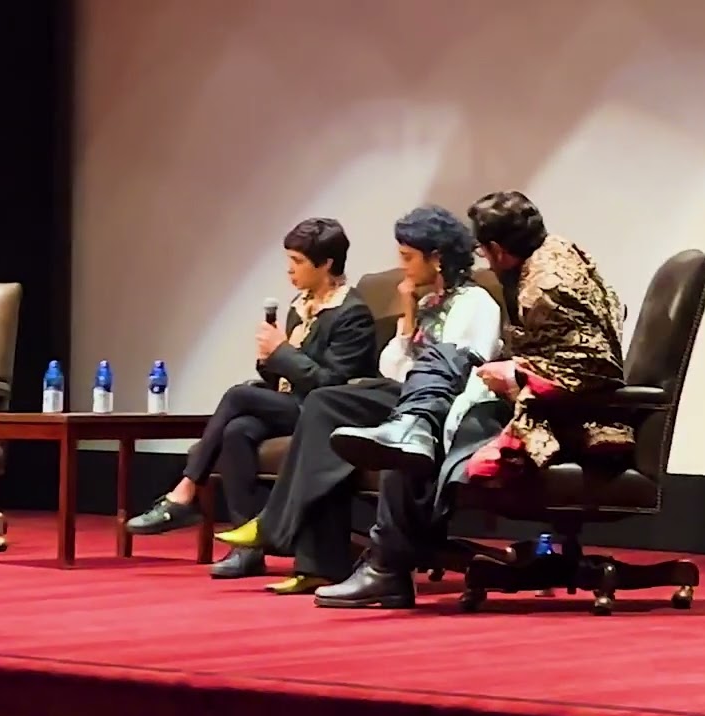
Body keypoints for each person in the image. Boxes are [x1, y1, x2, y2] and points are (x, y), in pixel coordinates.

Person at [315, 190, 631, 608]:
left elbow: (596, 364)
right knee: (421, 413)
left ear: (497, 249)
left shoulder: (550, 284)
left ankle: (387, 567)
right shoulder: (551, 257)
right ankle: (412, 436)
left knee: (419, 427)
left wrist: (517, 373)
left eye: (483, 250)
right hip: (543, 400)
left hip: (565, 416)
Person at [214, 205, 503, 594]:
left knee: (326, 402)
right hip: (404, 394)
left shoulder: (475, 303)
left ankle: (274, 524)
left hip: (436, 405)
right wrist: (407, 315)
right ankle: (316, 562)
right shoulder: (424, 301)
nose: (402, 267)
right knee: (324, 407)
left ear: (437, 258)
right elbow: (393, 367)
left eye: (407, 257)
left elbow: (458, 370)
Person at [124, 218, 379, 580]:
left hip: (326, 413)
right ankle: (248, 550)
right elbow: (284, 378)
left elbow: (331, 384)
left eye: (298, 262)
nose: (290, 270)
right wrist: (270, 362)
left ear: (325, 264)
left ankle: (184, 490)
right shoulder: (300, 306)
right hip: (295, 405)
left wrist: (283, 354)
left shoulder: (352, 314)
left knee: (238, 396)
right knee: (238, 431)